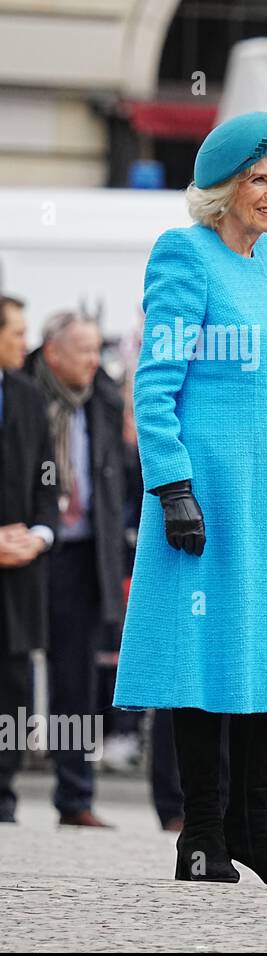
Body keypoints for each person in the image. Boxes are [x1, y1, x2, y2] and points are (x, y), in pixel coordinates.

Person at [113, 107, 267, 887]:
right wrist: (171, 486)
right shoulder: (184, 255)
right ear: (222, 189)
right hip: (206, 492)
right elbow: (156, 382)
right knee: (202, 657)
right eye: (257, 179)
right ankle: (199, 832)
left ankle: (250, 828)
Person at [25, 312, 127, 828]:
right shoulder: (23, 394)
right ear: (52, 353)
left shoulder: (102, 402)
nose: (94, 360)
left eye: (96, 350)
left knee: (77, 679)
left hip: (84, 553)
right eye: (83, 350)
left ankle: (75, 796)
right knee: (13, 671)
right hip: (27, 551)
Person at [0, 295, 59, 823]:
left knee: (15, 679)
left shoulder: (26, 395)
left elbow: (48, 478)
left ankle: (4, 793)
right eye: (16, 333)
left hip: (18, 568)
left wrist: (40, 535)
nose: (25, 343)